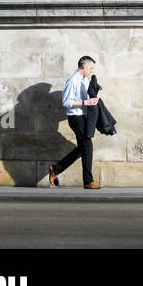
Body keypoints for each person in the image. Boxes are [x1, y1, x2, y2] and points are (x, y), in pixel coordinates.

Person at [48, 55, 103, 189]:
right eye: (90, 68)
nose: (91, 71)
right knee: (87, 144)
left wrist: (94, 98)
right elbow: (66, 102)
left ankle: (55, 169)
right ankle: (88, 181)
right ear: (84, 66)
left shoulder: (84, 80)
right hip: (75, 118)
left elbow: (86, 98)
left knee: (81, 149)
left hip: (83, 116)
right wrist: (86, 102)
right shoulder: (72, 81)